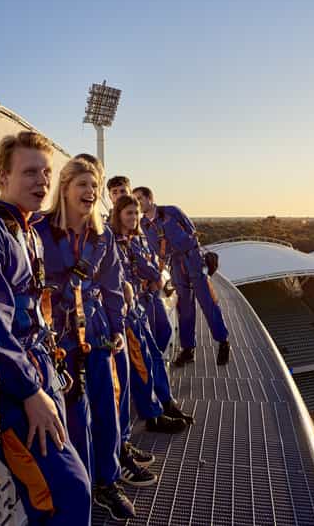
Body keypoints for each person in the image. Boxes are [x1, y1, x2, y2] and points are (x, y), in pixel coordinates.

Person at [0, 132, 91, 524]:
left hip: (39, 373)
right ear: (2, 176)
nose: (41, 181)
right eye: (29, 172)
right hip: (12, 390)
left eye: (45, 172)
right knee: (64, 493)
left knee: (65, 487)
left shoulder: (24, 230)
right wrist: (28, 391)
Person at [35, 158, 141, 520]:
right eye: (83, 184)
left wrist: (116, 329)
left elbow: (112, 286)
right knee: (75, 416)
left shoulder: (102, 236)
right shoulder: (39, 231)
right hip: (59, 338)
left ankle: (108, 481)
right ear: (64, 187)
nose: (91, 192)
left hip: (96, 331)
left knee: (107, 408)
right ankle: (85, 485)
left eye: (94, 186)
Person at [110, 195, 195, 436]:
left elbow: (153, 267)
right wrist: (148, 272)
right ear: (118, 215)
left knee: (153, 356)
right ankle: (152, 416)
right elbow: (142, 269)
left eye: (136, 213)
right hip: (127, 310)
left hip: (139, 303)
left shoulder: (136, 239)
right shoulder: (116, 242)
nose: (134, 218)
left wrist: (150, 272)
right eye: (129, 213)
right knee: (141, 364)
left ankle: (166, 403)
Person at [133, 186, 231, 366]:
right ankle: (188, 350)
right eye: (135, 199)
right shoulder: (144, 225)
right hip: (176, 264)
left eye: (140, 198)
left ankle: (223, 342)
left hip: (193, 259)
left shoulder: (171, 211)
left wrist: (192, 252)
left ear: (150, 198)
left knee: (208, 301)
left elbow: (190, 230)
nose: (138, 203)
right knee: (184, 308)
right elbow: (156, 249)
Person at [106, 176, 173, 353]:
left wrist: (157, 276)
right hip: (131, 297)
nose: (120, 195)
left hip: (149, 291)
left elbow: (150, 254)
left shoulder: (140, 228)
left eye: (123, 191)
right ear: (110, 197)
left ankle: (156, 366)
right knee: (142, 347)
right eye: (115, 192)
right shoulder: (108, 232)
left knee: (164, 331)